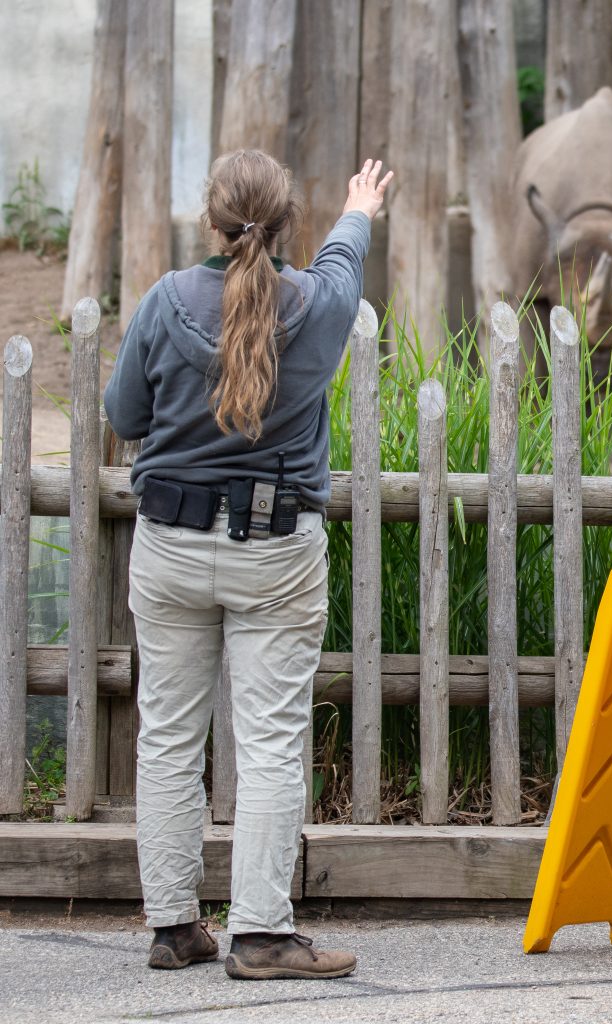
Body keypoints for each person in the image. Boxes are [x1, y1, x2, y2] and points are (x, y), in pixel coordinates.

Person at [104, 151, 392, 979]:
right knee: (268, 743)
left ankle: (173, 928)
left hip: (169, 545)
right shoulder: (320, 307)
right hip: (275, 551)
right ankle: (262, 936)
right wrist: (359, 207)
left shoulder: (165, 300)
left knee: (168, 737)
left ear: (210, 221)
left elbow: (125, 414)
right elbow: (342, 261)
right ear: (286, 222)